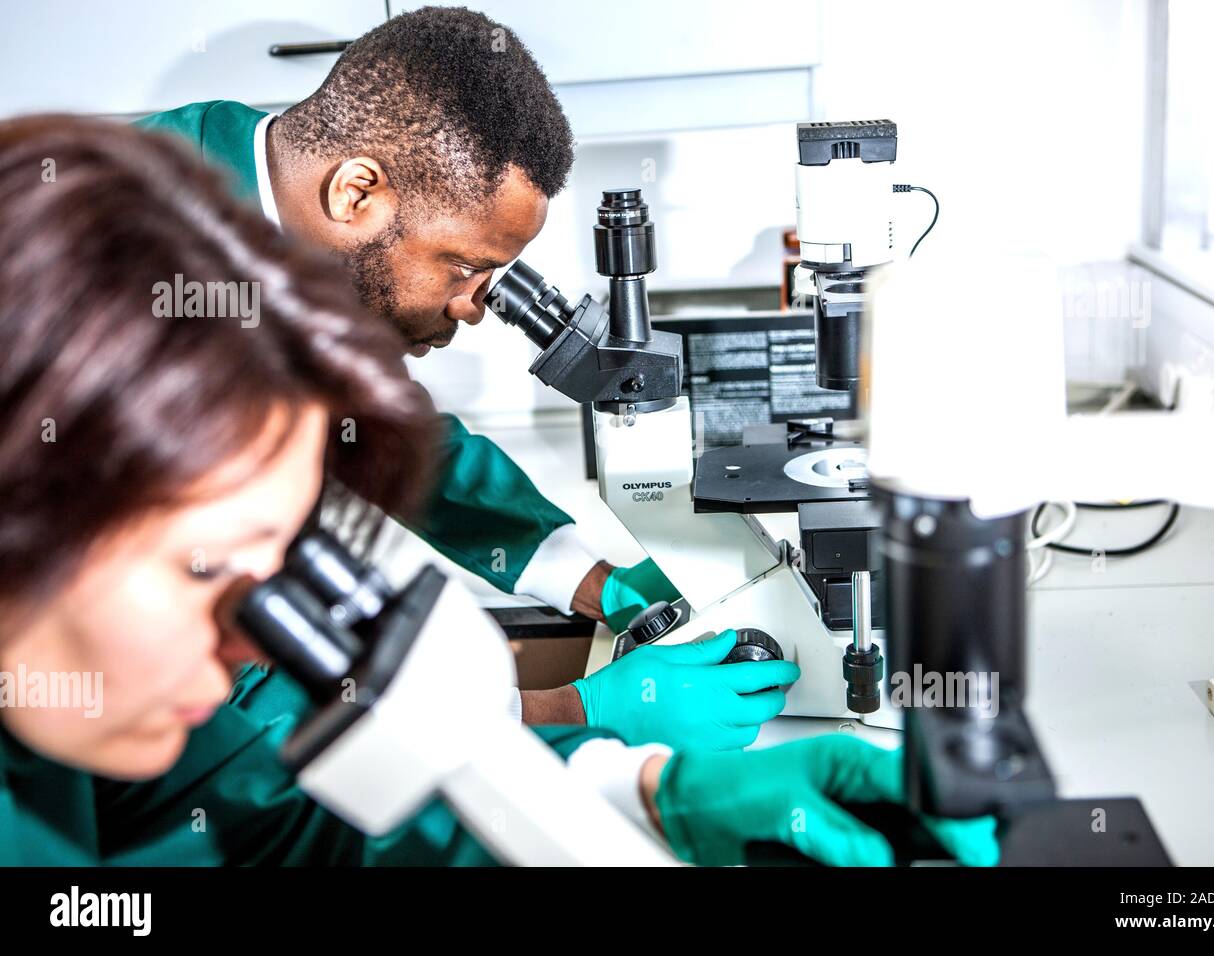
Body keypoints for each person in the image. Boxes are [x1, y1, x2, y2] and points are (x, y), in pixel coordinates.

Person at [0, 115, 998, 867]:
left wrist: (646, 788)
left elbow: (267, 815)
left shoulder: (105, 685)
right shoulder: (110, 269)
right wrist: (563, 702)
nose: (260, 643)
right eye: (212, 563)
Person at [136, 5, 790, 750]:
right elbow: (238, 712)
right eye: (465, 266)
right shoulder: (143, 302)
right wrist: (569, 712)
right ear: (356, 194)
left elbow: (384, 430)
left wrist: (597, 580)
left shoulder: (264, 177)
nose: (474, 307)